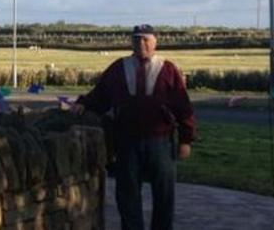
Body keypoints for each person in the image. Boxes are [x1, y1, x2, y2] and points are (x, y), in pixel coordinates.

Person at [70, 24, 195, 230]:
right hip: (127, 141)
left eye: (146, 39)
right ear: (131, 42)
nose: (141, 43)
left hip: (160, 141)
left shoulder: (168, 69)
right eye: (137, 39)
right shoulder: (119, 67)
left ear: (155, 42)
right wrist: (84, 103)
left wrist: (186, 139)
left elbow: (183, 105)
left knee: (164, 195)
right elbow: (101, 94)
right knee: (128, 195)